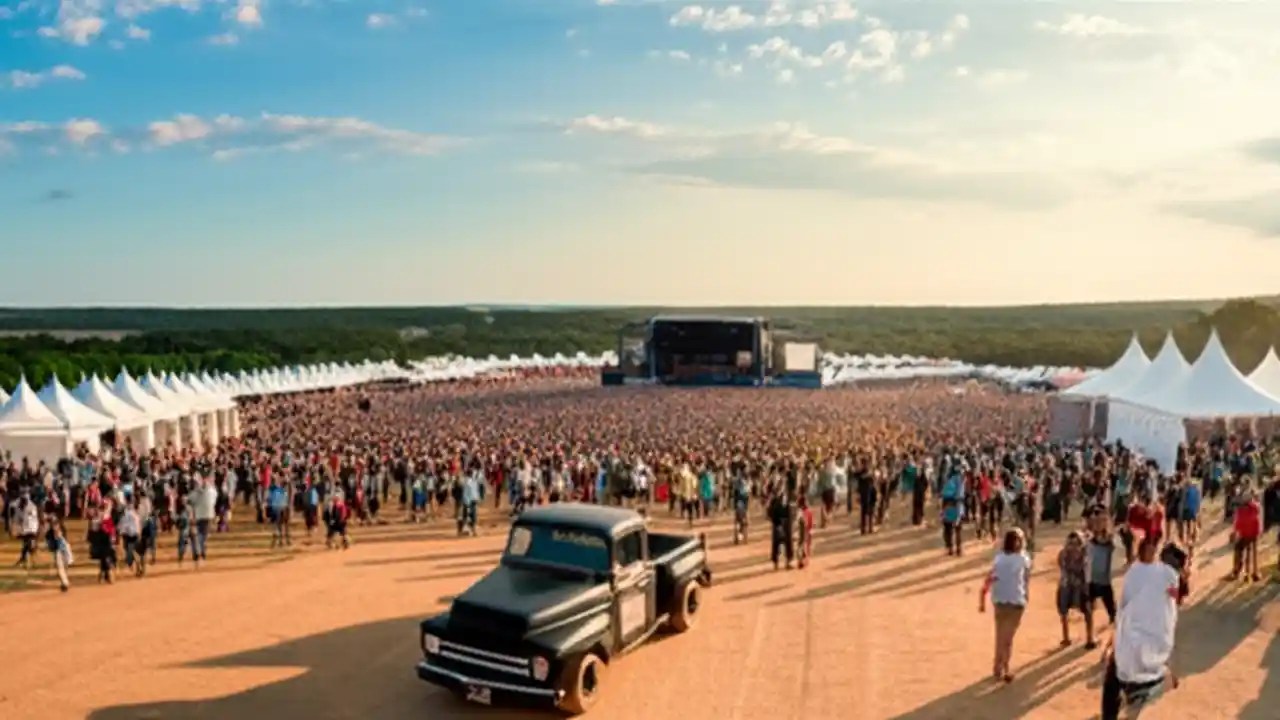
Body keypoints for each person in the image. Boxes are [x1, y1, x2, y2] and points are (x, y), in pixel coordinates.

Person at [1101, 535, 1185, 720]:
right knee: (1139, 681)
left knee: (1115, 679)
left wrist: (1116, 636)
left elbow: (1125, 606)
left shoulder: (1142, 572)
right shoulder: (1173, 581)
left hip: (1130, 647)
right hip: (1153, 652)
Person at [980, 528, 1031, 683]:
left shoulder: (999, 558)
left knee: (1001, 636)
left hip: (1001, 599)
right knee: (1006, 638)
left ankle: (999, 666)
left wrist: (983, 596)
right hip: (1015, 601)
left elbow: (990, 577)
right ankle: (1003, 667)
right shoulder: (1023, 558)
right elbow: (1026, 579)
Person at [1056, 530, 1090, 647]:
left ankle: (1090, 638)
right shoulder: (1063, 555)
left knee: (1088, 608)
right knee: (1063, 608)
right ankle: (1066, 637)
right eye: (1071, 544)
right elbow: (1064, 571)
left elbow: (1086, 573)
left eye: (1077, 544)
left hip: (1082, 584)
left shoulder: (1085, 556)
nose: (1074, 547)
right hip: (1067, 583)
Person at [1230, 488, 1262, 582]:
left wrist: (1235, 532)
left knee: (1242, 551)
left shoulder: (1243, 509)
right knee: (1252, 553)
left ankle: (1241, 572)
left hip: (1246, 534)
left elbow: (1237, 523)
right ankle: (1253, 573)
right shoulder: (1254, 507)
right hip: (1252, 533)